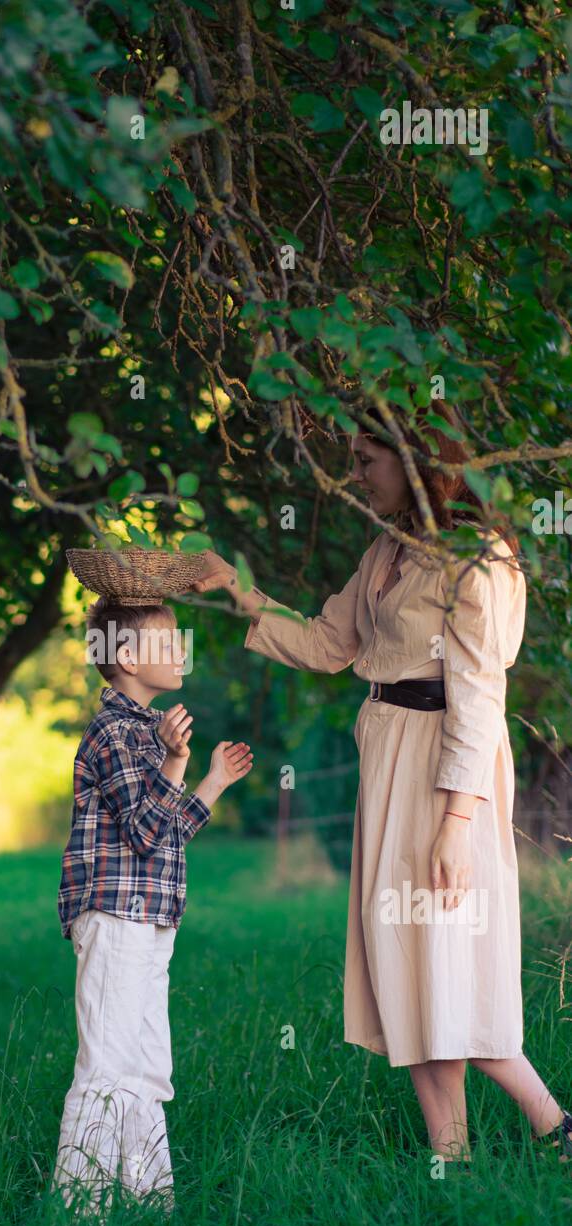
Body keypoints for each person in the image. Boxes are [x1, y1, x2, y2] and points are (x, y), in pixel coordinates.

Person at [193, 401, 572, 1167]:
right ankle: (451, 1162)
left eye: (368, 460)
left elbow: (477, 689)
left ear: (415, 457)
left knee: (452, 960)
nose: (356, 475)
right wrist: (238, 591)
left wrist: (457, 821)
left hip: (444, 770)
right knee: (408, 962)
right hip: (391, 757)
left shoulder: (478, 557)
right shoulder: (387, 551)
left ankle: (556, 1128)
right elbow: (329, 643)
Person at [52, 596, 253, 1212]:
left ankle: (145, 1202)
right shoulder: (113, 732)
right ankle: (79, 1216)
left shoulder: (145, 730)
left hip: (147, 920)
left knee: (145, 1063)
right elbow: (142, 832)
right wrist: (175, 760)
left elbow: (163, 833)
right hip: (115, 917)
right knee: (108, 1064)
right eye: (170, 643)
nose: (181, 654)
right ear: (131, 657)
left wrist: (211, 779)